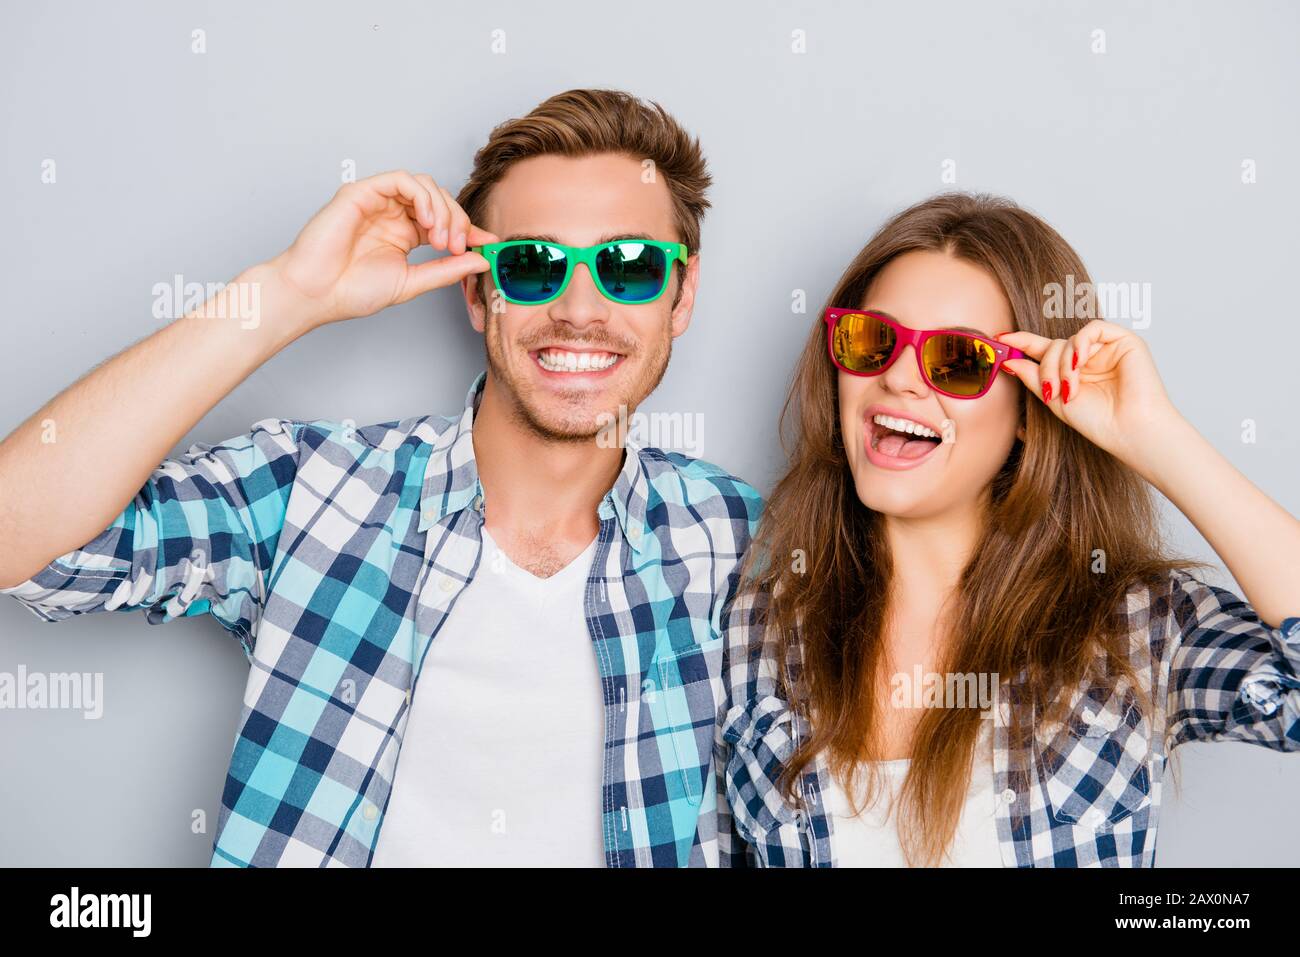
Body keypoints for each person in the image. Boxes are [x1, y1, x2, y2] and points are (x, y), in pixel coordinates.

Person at [0, 88, 760, 867]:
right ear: (475, 288)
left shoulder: (744, 546)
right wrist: (287, 297)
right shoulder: (315, 491)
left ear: (681, 293)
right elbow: (19, 540)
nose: (578, 306)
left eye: (627, 265)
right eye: (532, 264)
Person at [717, 192, 1300, 867]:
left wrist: (1153, 436)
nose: (899, 379)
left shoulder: (1134, 629)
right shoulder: (749, 631)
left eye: (958, 359)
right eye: (872, 341)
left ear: (1031, 408)